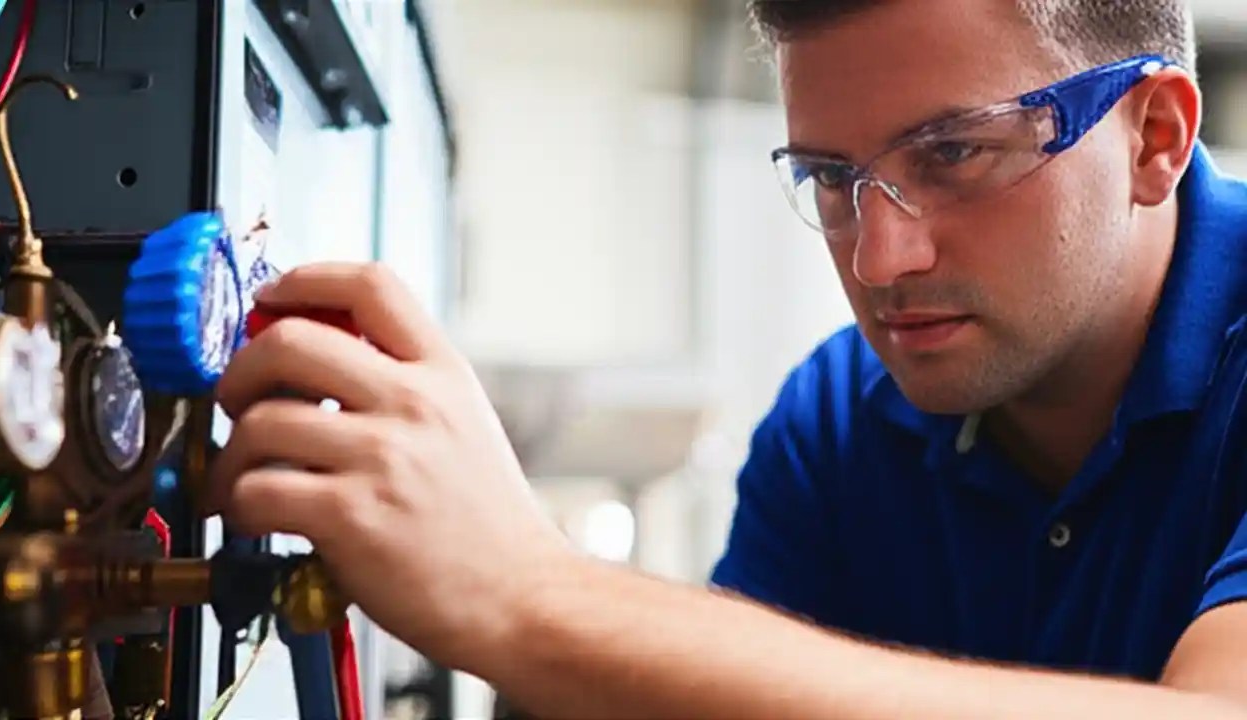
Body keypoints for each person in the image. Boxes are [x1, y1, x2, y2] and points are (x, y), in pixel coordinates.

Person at [207, 0, 1247, 717]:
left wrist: (529, 596)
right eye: (832, 178)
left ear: (1152, 137)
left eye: (952, 154)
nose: (880, 259)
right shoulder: (840, 417)